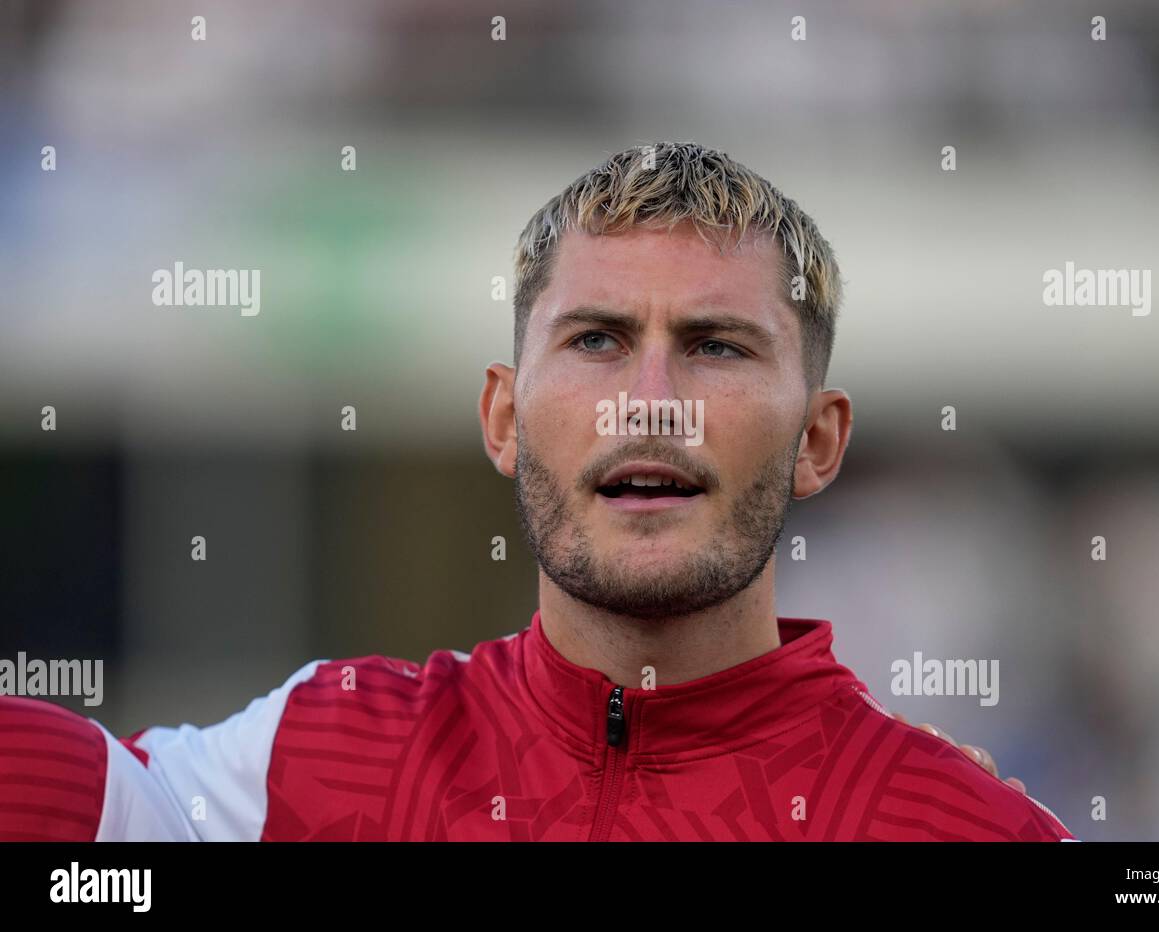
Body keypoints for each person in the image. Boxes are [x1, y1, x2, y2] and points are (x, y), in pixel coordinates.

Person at [0, 142, 1072, 841]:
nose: (650, 403)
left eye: (715, 345)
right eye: (598, 339)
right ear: (504, 419)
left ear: (817, 439)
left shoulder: (947, 826)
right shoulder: (320, 757)